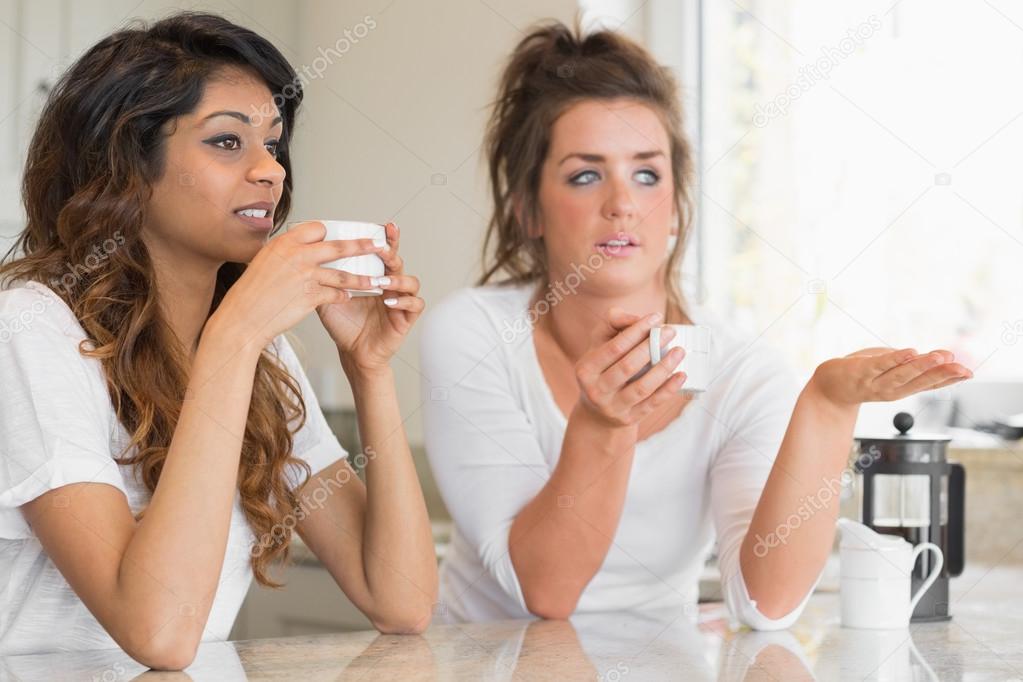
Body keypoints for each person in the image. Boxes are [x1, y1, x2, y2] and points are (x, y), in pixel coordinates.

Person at [419, 21, 971, 627]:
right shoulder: (472, 335)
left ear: (676, 203)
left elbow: (767, 604)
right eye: (585, 174)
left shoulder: (744, 373)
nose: (622, 202)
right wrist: (604, 422)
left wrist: (828, 405)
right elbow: (543, 593)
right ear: (528, 209)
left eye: (647, 173)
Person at [0, 12, 436, 669]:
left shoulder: (258, 352)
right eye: (227, 143)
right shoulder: (31, 332)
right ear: (128, 167)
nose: (271, 171)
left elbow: (400, 601)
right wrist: (234, 337)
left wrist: (368, 370)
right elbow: (157, 633)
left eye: (275, 143)